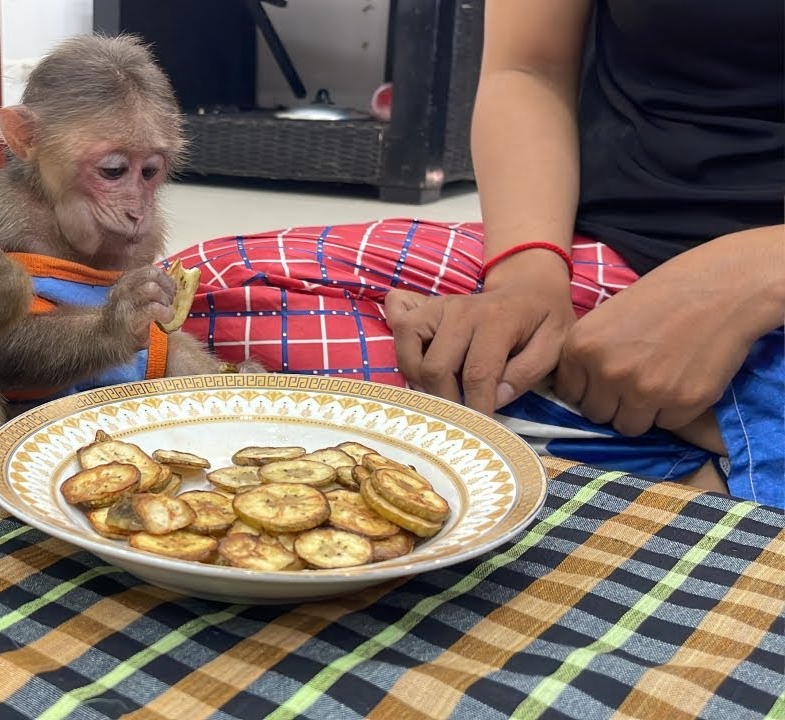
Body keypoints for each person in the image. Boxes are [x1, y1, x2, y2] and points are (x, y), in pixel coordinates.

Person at [163, 0, 783, 507]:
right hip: (605, 253)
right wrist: (527, 276)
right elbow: (527, 70)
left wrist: (753, 279)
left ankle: (720, 444)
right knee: (196, 297)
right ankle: (703, 448)